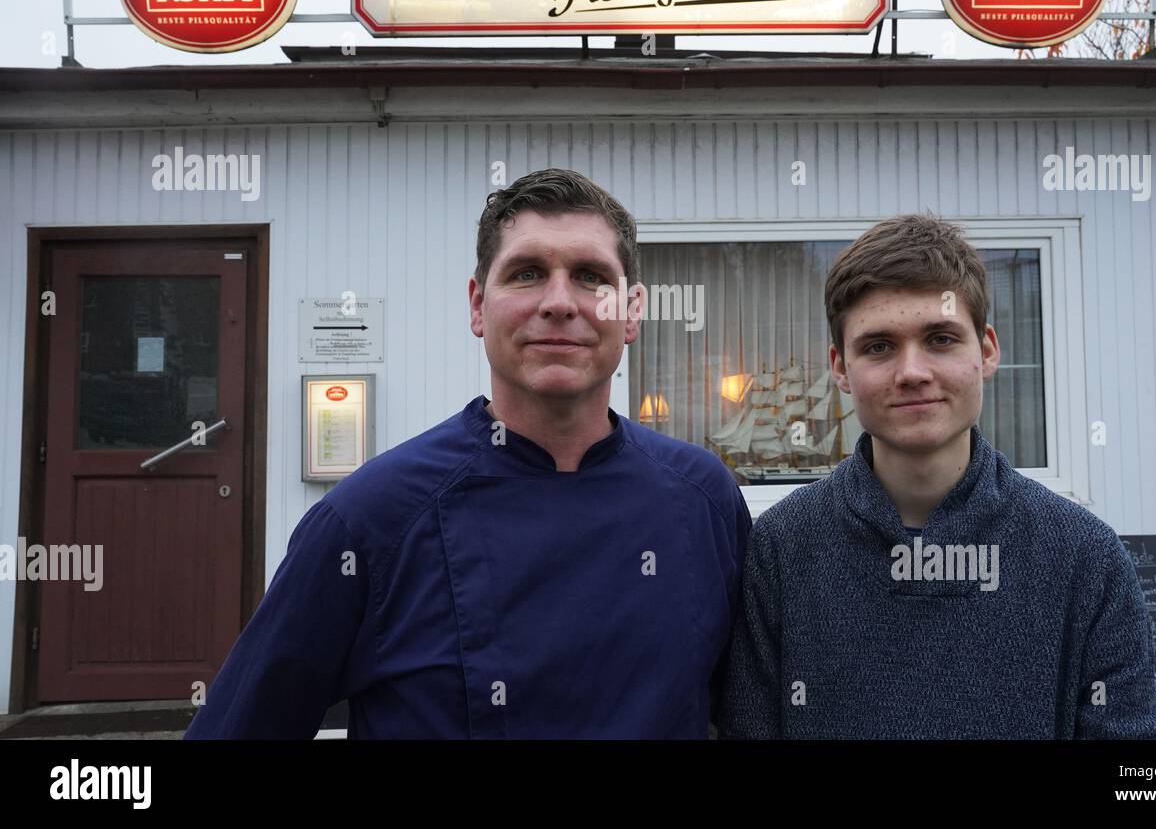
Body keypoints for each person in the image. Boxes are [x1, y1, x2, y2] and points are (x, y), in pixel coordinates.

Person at [187, 168, 751, 738]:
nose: (559, 302)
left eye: (590, 277)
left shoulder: (704, 500)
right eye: (527, 273)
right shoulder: (368, 520)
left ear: (631, 311)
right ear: (478, 305)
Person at [721, 213, 1156, 739]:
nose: (912, 372)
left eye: (939, 338)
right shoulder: (781, 549)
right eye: (879, 346)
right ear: (840, 367)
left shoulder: (1084, 557)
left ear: (986, 351)